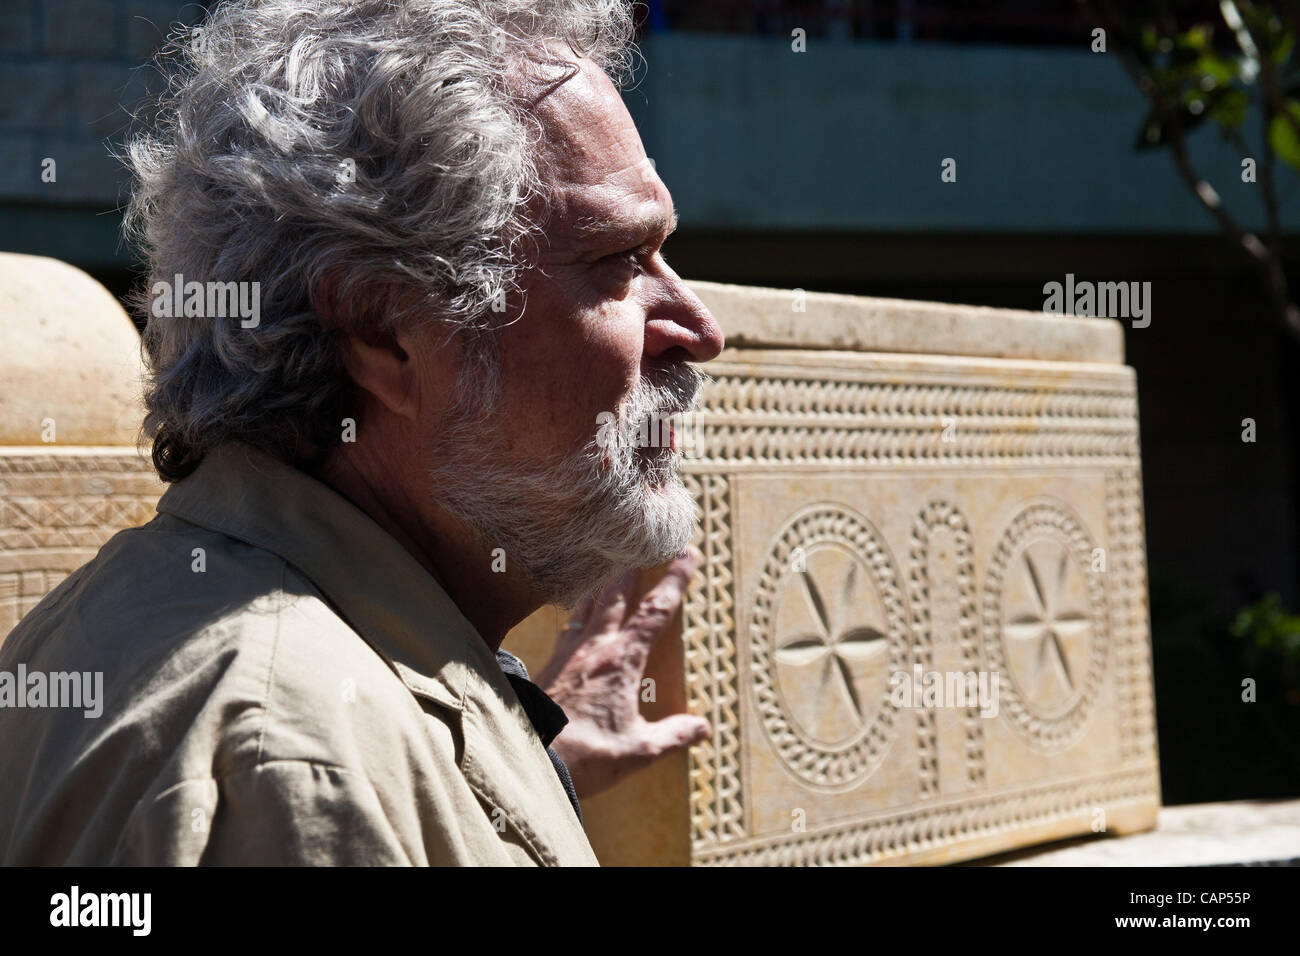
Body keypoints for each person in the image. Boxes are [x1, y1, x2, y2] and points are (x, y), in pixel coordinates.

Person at [0, 0, 723, 866]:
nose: (698, 326)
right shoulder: (294, 767)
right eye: (616, 261)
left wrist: (519, 768)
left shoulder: (206, 644)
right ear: (385, 334)